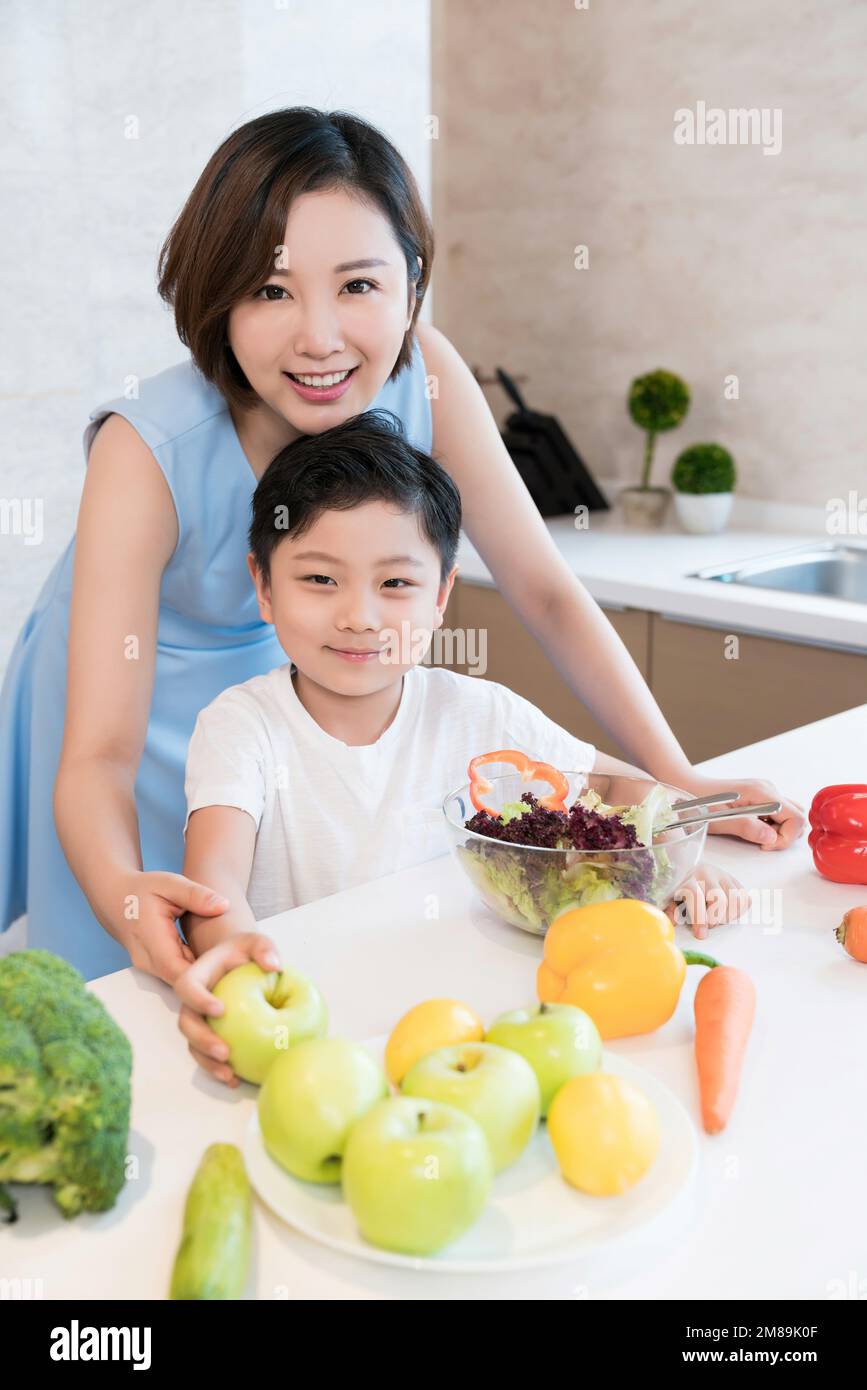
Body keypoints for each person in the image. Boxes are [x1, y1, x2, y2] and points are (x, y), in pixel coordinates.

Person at [0, 107, 802, 984]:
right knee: (127, 977)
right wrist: (122, 892)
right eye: (271, 290)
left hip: (286, 672)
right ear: (214, 294)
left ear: (411, 284)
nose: (320, 337)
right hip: (122, 700)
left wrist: (676, 781)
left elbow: (545, 591)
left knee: (295, 934)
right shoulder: (146, 449)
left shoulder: (425, 373)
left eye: (357, 285)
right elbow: (98, 758)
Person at [174, 411, 749, 1087]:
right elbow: (211, 889)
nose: (359, 615)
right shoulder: (241, 725)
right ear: (263, 586)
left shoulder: (478, 711)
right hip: (315, 1038)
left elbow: (620, 787)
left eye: (395, 584)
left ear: (441, 595)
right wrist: (240, 968)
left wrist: (676, 849)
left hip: (467, 1024)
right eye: (320, 580)